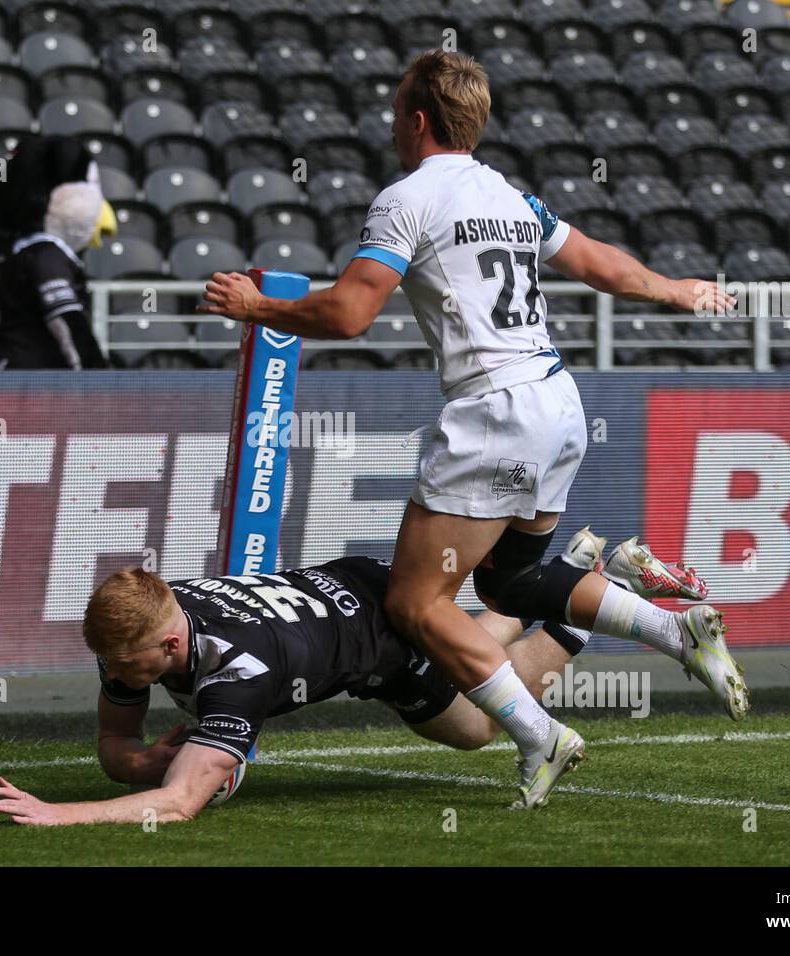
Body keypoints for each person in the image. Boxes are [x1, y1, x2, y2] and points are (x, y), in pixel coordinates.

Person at [198, 50, 748, 808]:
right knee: (511, 580)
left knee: (416, 605)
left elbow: (352, 314)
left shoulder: (408, 197)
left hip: (495, 412)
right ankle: (674, 632)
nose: (394, 125)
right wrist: (677, 290)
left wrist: (254, 308)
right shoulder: (510, 196)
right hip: (558, 402)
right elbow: (599, 265)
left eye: (397, 112)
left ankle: (538, 736)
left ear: (417, 120)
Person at [0, 530, 718, 826]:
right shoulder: (149, 616)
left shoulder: (237, 673)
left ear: (170, 643)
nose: (114, 674)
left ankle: (591, 590)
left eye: (124, 665)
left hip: (380, 636)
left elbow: (179, 805)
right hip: (346, 588)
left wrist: (60, 812)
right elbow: (120, 744)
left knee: (477, 724)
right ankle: (577, 576)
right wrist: (137, 760)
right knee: (478, 644)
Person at [0, 136, 117, 369]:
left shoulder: (6, 249)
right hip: (33, 385)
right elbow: (66, 321)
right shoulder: (44, 255)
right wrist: (98, 377)